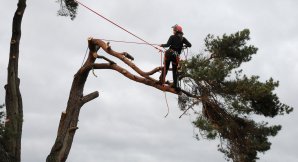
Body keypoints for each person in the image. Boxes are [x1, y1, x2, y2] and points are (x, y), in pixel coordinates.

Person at [158, 24, 192, 91]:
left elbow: (167, 45)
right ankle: (175, 86)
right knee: (175, 71)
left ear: (176, 31)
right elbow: (190, 45)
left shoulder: (172, 37)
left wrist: (161, 45)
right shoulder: (183, 38)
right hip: (175, 56)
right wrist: (184, 46)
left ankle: (161, 80)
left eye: (174, 30)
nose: (173, 31)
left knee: (166, 68)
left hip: (169, 53)